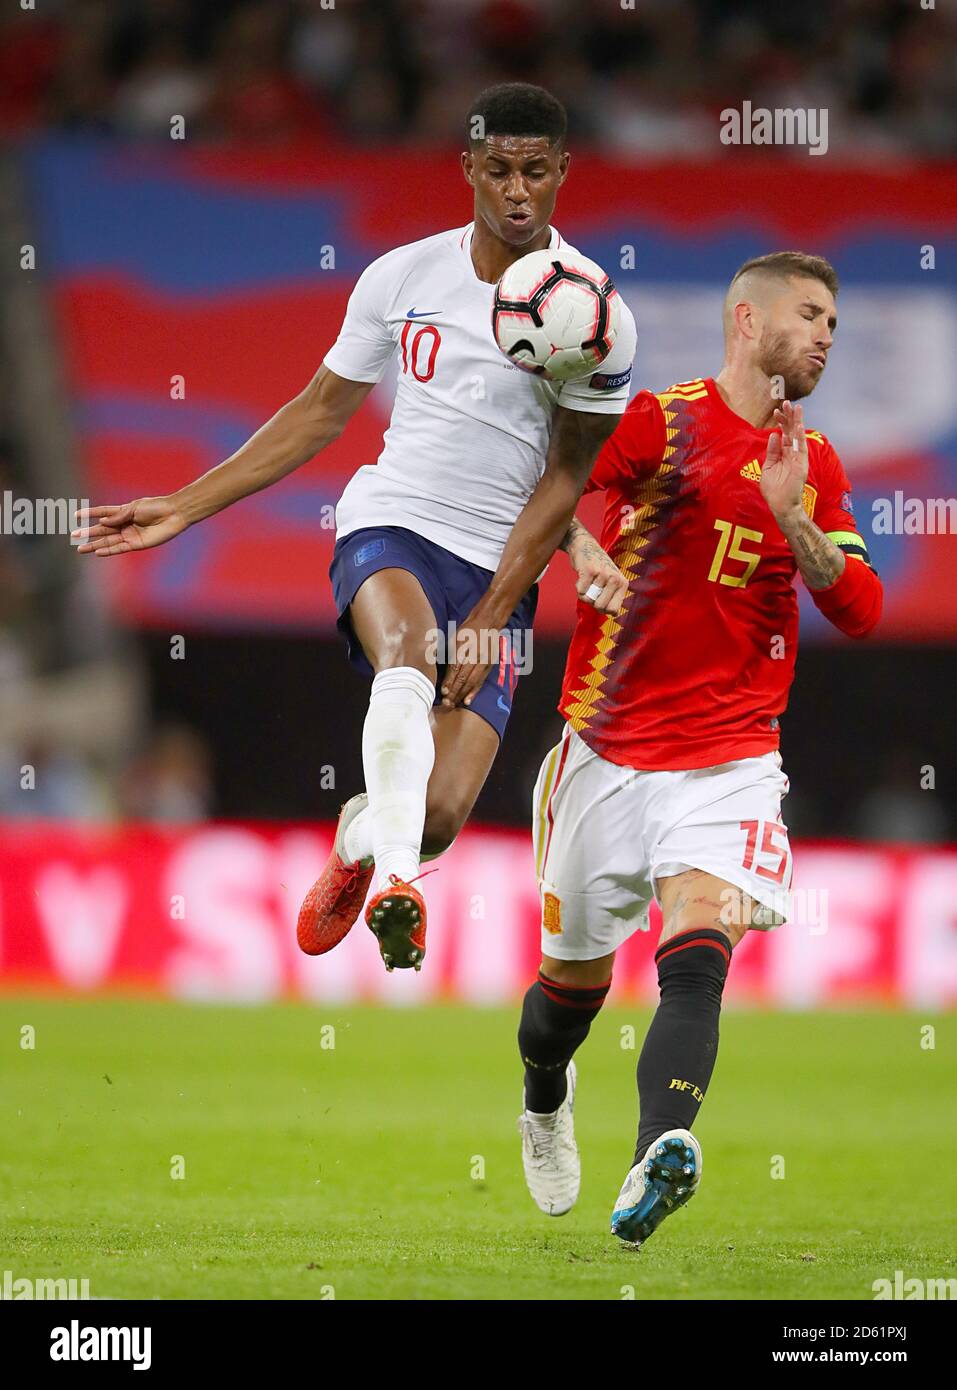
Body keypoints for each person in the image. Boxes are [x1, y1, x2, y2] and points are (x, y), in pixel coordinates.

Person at [71, 82, 637, 973]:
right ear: (468, 170)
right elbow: (318, 412)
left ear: (562, 172)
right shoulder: (403, 276)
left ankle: (359, 841)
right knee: (407, 654)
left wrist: (492, 614)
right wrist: (184, 505)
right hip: (392, 524)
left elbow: (566, 476)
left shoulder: (596, 318)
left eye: (534, 171)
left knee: (440, 814)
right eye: (497, 170)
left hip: (501, 564)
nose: (516, 191)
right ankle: (400, 887)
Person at [515, 251, 882, 1246]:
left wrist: (792, 515)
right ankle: (545, 1099)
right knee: (563, 1002)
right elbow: (549, 485)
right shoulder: (661, 422)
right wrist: (580, 547)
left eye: (834, 322)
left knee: (698, 954)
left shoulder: (819, 464)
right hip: (608, 751)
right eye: (809, 313)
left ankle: (657, 1150)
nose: (824, 335)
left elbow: (859, 606)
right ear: (744, 317)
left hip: (731, 761)